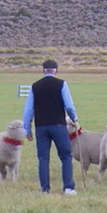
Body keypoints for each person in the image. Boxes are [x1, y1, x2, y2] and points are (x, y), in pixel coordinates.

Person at [22, 59, 78, 194]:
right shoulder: (62, 84)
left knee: (43, 158)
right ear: (56, 70)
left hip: (41, 126)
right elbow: (69, 106)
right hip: (58, 125)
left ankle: (45, 189)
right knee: (65, 156)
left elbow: (28, 110)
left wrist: (27, 129)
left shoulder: (35, 86)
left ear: (43, 70)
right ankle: (68, 188)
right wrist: (74, 118)